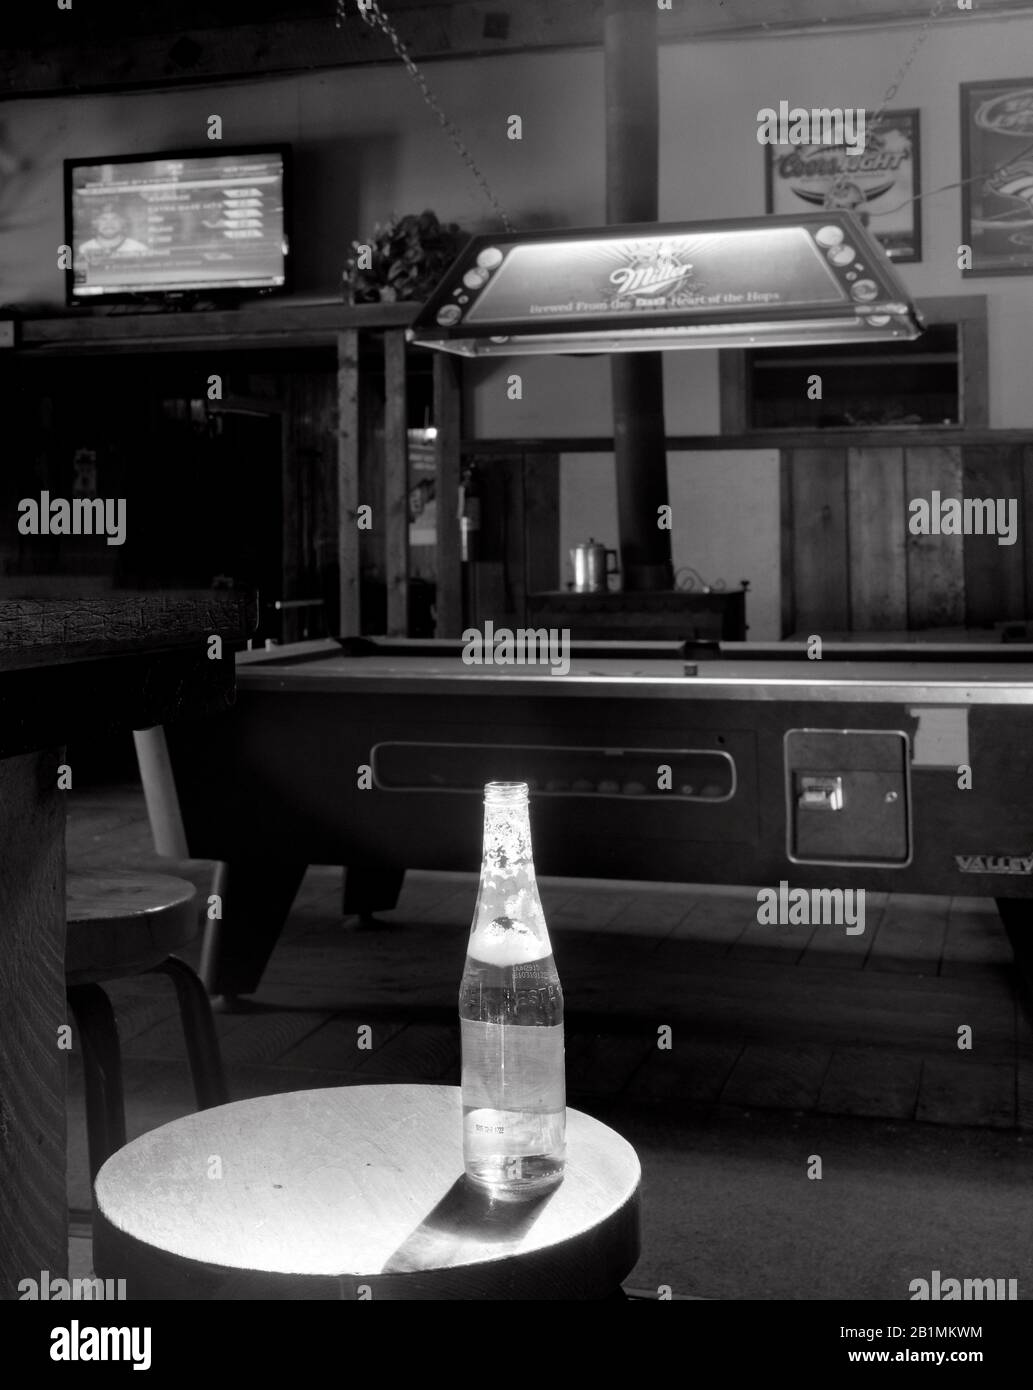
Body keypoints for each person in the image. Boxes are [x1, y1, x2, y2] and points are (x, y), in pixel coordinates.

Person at [79, 203, 149, 258]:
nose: (109, 223)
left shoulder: (139, 249)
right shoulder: (84, 249)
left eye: (115, 218)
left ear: (123, 222)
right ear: (94, 223)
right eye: (103, 219)